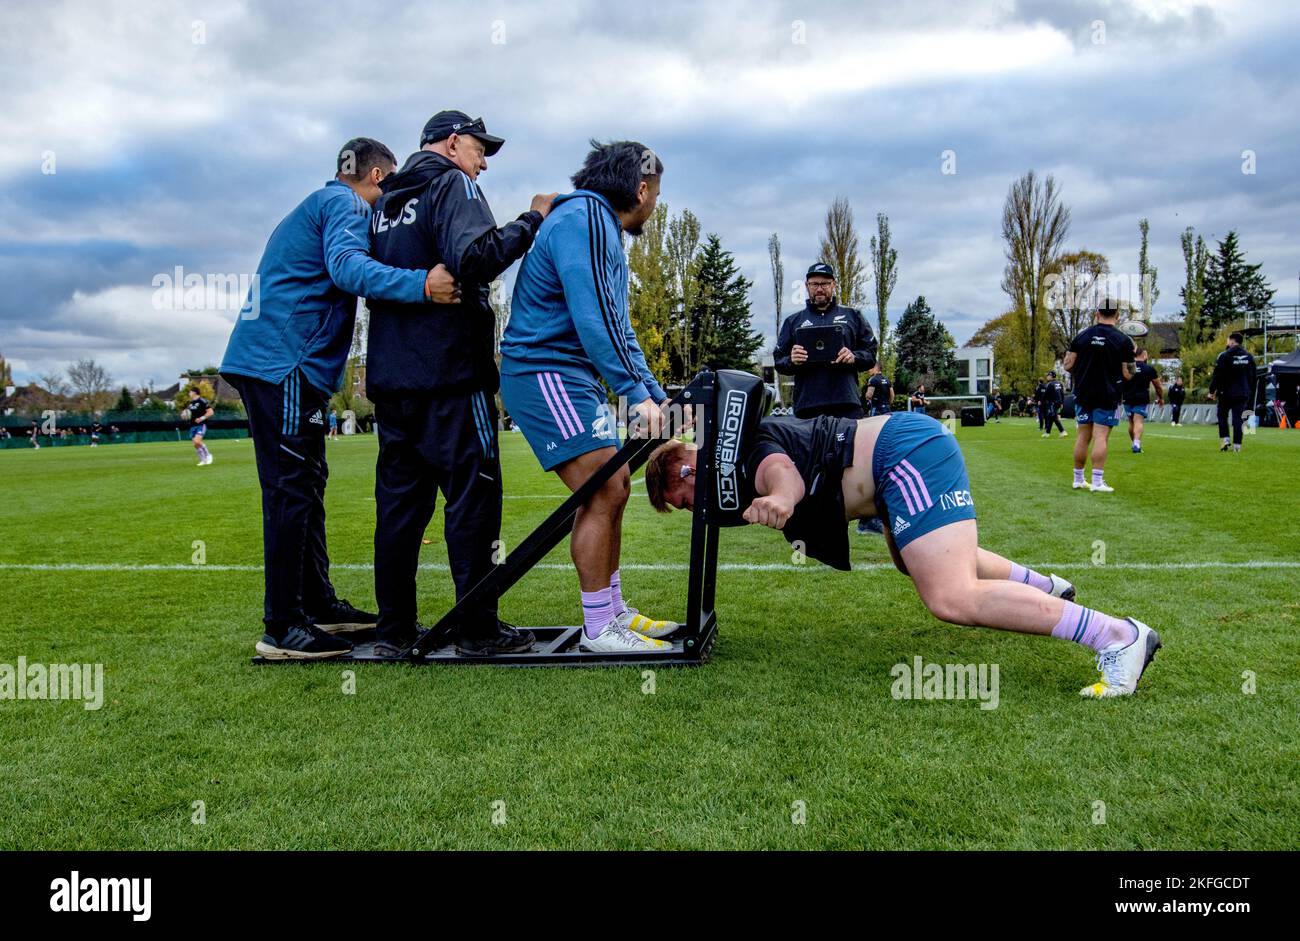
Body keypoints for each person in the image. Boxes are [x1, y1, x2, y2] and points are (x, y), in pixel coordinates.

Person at [644, 410, 1161, 698]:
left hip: (903, 456)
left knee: (950, 596)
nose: (694, 509)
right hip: (898, 460)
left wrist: (780, 500)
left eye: (685, 499)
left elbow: (782, 474)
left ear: (687, 466)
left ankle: (1116, 635)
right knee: (915, 559)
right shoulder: (727, 465)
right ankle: (1045, 587)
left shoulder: (743, 451)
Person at [221, 136, 460, 661]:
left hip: (278, 365)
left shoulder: (319, 202)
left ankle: (316, 604)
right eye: (392, 182)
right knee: (290, 490)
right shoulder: (345, 204)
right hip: (283, 365)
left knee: (304, 481)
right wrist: (424, 284)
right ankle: (283, 627)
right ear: (377, 177)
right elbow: (348, 268)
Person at [367, 110, 555, 658]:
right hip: (450, 376)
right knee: (473, 502)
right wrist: (532, 219)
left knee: (399, 511)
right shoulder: (452, 183)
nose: (484, 163)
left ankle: (393, 632)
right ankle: (477, 630)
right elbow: (476, 257)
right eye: (480, 150)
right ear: (451, 144)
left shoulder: (385, 205)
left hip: (392, 382)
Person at [500, 139, 676, 655]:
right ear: (641, 190)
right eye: (656, 195)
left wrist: (653, 394)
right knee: (604, 489)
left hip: (570, 376)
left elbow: (619, 329)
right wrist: (631, 394)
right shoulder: (586, 218)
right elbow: (592, 319)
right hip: (543, 372)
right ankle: (600, 628)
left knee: (614, 485)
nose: (654, 206)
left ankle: (614, 612)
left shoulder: (598, 225)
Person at [774, 263, 877, 419]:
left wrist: (854, 357)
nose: (819, 289)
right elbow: (778, 361)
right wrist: (792, 360)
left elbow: (871, 354)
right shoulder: (793, 321)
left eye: (825, 283)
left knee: (848, 444)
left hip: (846, 403)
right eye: (814, 284)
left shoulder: (853, 316)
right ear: (807, 286)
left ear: (833, 285)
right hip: (807, 406)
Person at [1064, 304, 1135, 493]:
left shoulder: (1082, 336)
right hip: (1108, 393)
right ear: (1117, 315)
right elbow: (1128, 374)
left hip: (1083, 392)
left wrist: (1082, 372)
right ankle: (1096, 481)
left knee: (1083, 436)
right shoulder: (1123, 340)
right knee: (1101, 436)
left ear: (1097, 314)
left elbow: (1068, 364)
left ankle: (1078, 479)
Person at [1208, 332, 1257, 453]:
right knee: (1238, 419)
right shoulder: (1249, 357)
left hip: (1226, 392)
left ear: (1231, 341)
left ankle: (1225, 439)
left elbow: (1217, 375)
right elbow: (1253, 377)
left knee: (1222, 415)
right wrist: (1250, 392)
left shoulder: (1224, 356)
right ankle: (1237, 446)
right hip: (1242, 393)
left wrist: (1211, 391)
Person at [1122, 348, 1164, 454]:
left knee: (1131, 422)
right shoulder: (1148, 368)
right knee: (1138, 421)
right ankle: (1136, 443)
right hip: (1141, 398)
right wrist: (1161, 398)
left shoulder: (1128, 367)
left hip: (1127, 397)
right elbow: (1158, 386)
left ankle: (1135, 443)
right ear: (1144, 354)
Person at [185, 387, 214, 465]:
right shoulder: (191, 403)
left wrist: (201, 418)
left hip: (201, 425)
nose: (189, 394)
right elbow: (189, 413)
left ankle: (208, 455)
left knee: (197, 441)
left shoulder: (202, 401)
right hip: (192, 425)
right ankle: (203, 460)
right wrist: (184, 415)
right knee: (195, 444)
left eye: (190, 392)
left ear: (194, 392)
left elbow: (211, 412)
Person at [1041, 371, 1066, 437]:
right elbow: (1062, 394)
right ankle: (1047, 433)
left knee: (1054, 417)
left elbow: (1046, 395)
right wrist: (1062, 402)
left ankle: (1062, 431)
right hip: (1058, 402)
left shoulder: (1050, 384)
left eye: (1048, 375)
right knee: (1050, 417)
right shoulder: (1060, 383)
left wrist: (1042, 401)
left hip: (1052, 403)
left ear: (1051, 376)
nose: (1047, 377)